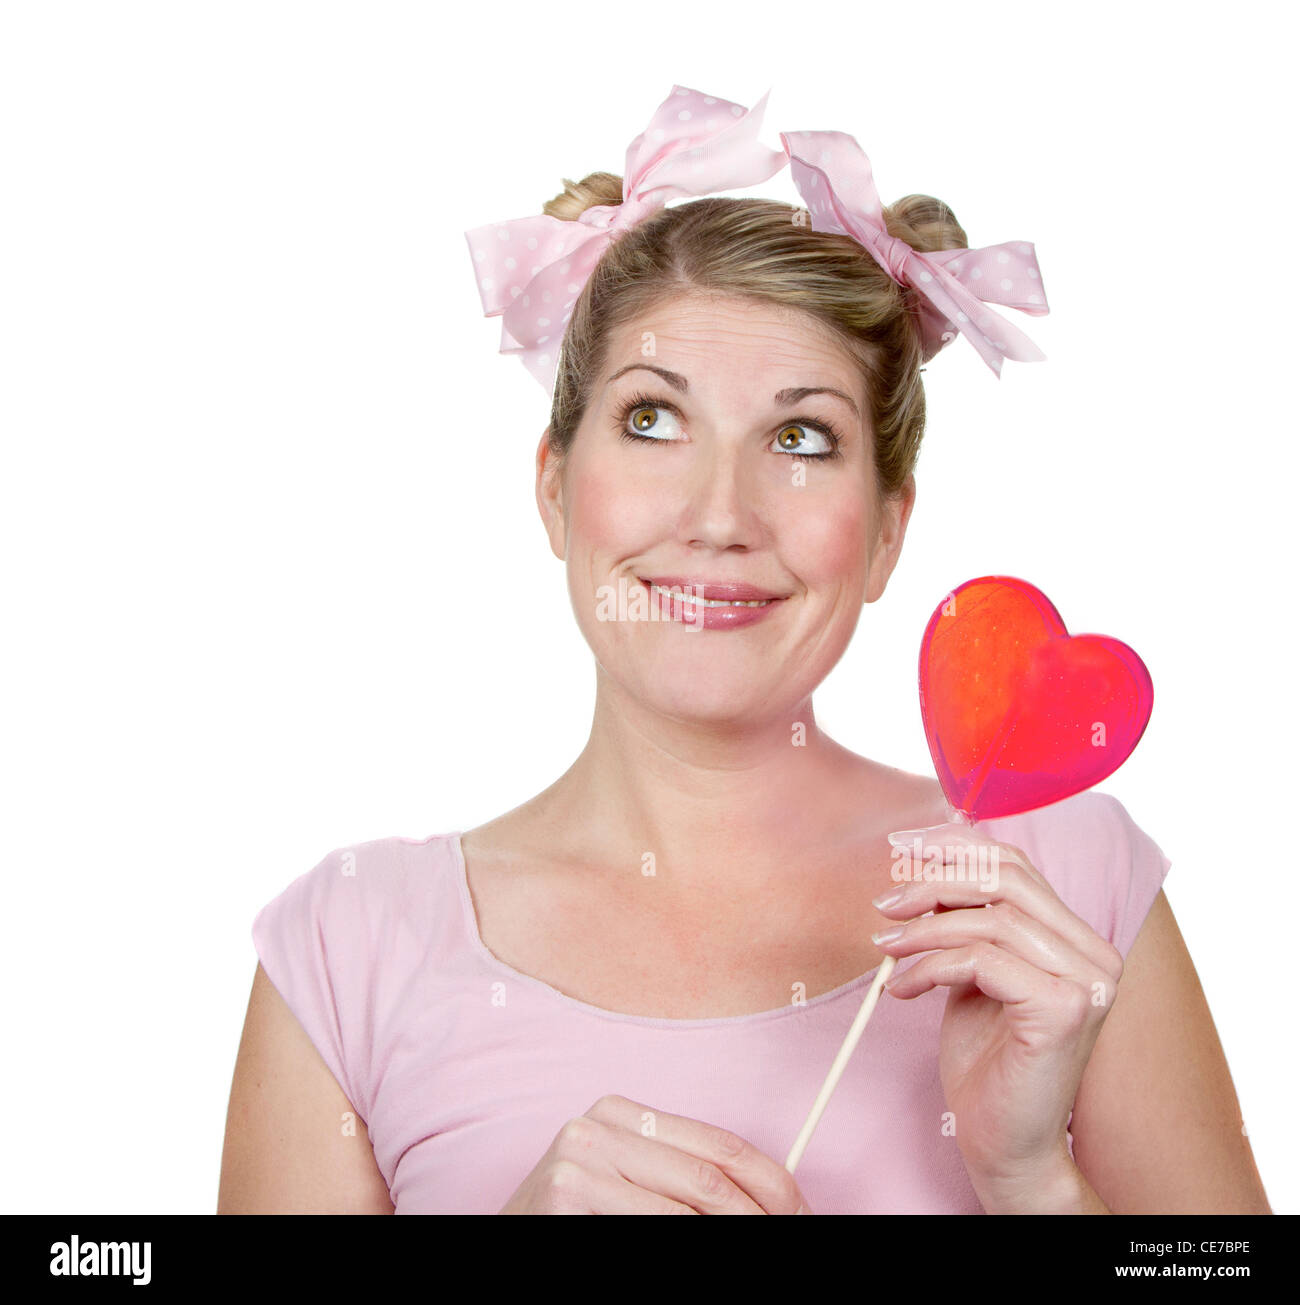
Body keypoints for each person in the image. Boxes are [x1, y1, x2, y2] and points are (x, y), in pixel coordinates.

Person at [217, 87, 1271, 1215]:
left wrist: (1030, 1181)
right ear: (555, 490)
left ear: (884, 533)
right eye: (653, 420)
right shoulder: (350, 944)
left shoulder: (1059, 886)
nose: (721, 514)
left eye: (801, 438)